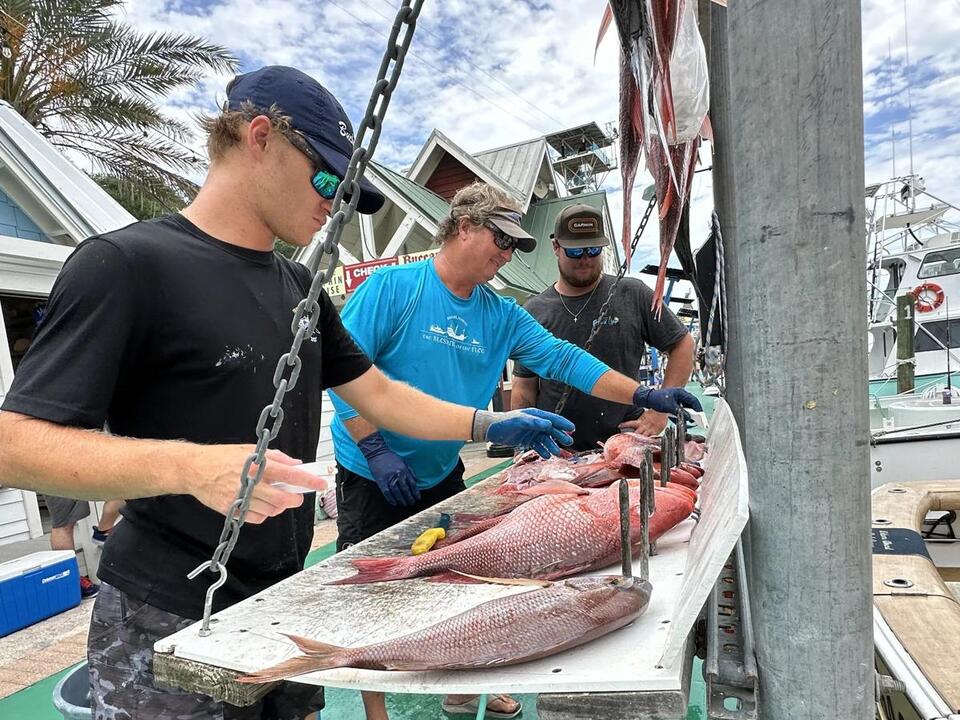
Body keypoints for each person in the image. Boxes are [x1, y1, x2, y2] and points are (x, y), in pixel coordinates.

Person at [0, 67, 574, 720]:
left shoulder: (300, 290)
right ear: (261, 136)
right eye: (330, 179)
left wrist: (489, 424)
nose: (337, 201)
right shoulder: (126, 265)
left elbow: (380, 394)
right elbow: (15, 446)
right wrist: (190, 466)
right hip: (164, 606)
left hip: (282, 597)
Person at [328, 182, 702, 720]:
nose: (507, 254)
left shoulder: (499, 313)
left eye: (516, 246)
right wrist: (376, 446)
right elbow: (345, 374)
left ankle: (464, 685)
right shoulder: (392, 288)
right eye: (501, 239)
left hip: (440, 468)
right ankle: (375, 709)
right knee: (374, 587)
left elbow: (564, 359)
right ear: (462, 226)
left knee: (463, 580)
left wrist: (642, 393)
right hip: (372, 468)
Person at [512, 203, 696, 449]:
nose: (586, 259)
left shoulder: (632, 293)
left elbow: (683, 343)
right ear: (556, 247)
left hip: (625, 440)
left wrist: (658, 413)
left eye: (594, 249)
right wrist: (522, 441)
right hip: (558, 448)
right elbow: (524, 388)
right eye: (576, 252)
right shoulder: (534, 310)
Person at [43, 495, 101, 598]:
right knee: (63, 523)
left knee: (67, 522)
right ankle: (70, 581)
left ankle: (70, 580)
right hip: (56, 480)